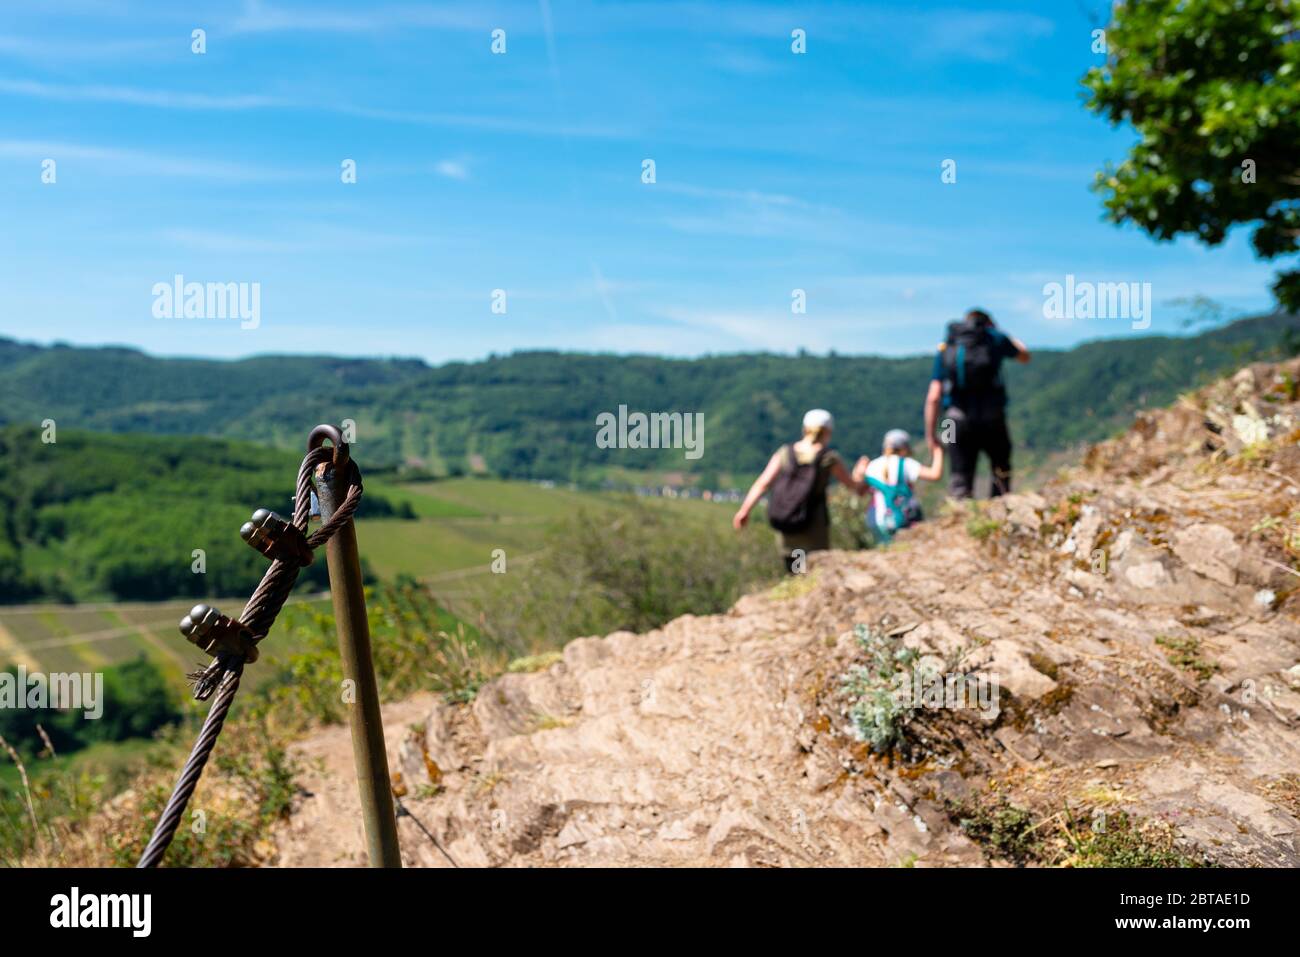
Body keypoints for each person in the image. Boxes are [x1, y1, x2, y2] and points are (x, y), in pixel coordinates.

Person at [733, 409, 866, 573]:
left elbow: (764, 483)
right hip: (814, 528)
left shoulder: (784, 453)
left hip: (787, 524)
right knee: (815, 573)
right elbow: (853, 486)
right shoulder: (829, 458)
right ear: (829, 432)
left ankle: (795, 588)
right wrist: (860, 472)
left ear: (804, 429)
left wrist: (744, 510)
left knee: (794, 570)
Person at [923, 308, 1029, 498]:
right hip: (993, 415)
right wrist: (1001, 333)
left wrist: (931, 435)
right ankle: (999, 515)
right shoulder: (994, 338)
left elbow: (933, 396)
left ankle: (959, 514)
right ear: (988, 323)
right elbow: (1024, 355)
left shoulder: (947, 345)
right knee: (1001, 468)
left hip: (952, 420)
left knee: (957, 472)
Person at [851, 429, 944, 543]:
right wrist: (938, 450)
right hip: (905, 518)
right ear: (904, 448)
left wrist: (858, 472)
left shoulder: (872, 466)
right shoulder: (906, 463)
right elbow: (935, 474)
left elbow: (859, 492)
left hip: (879, 520)